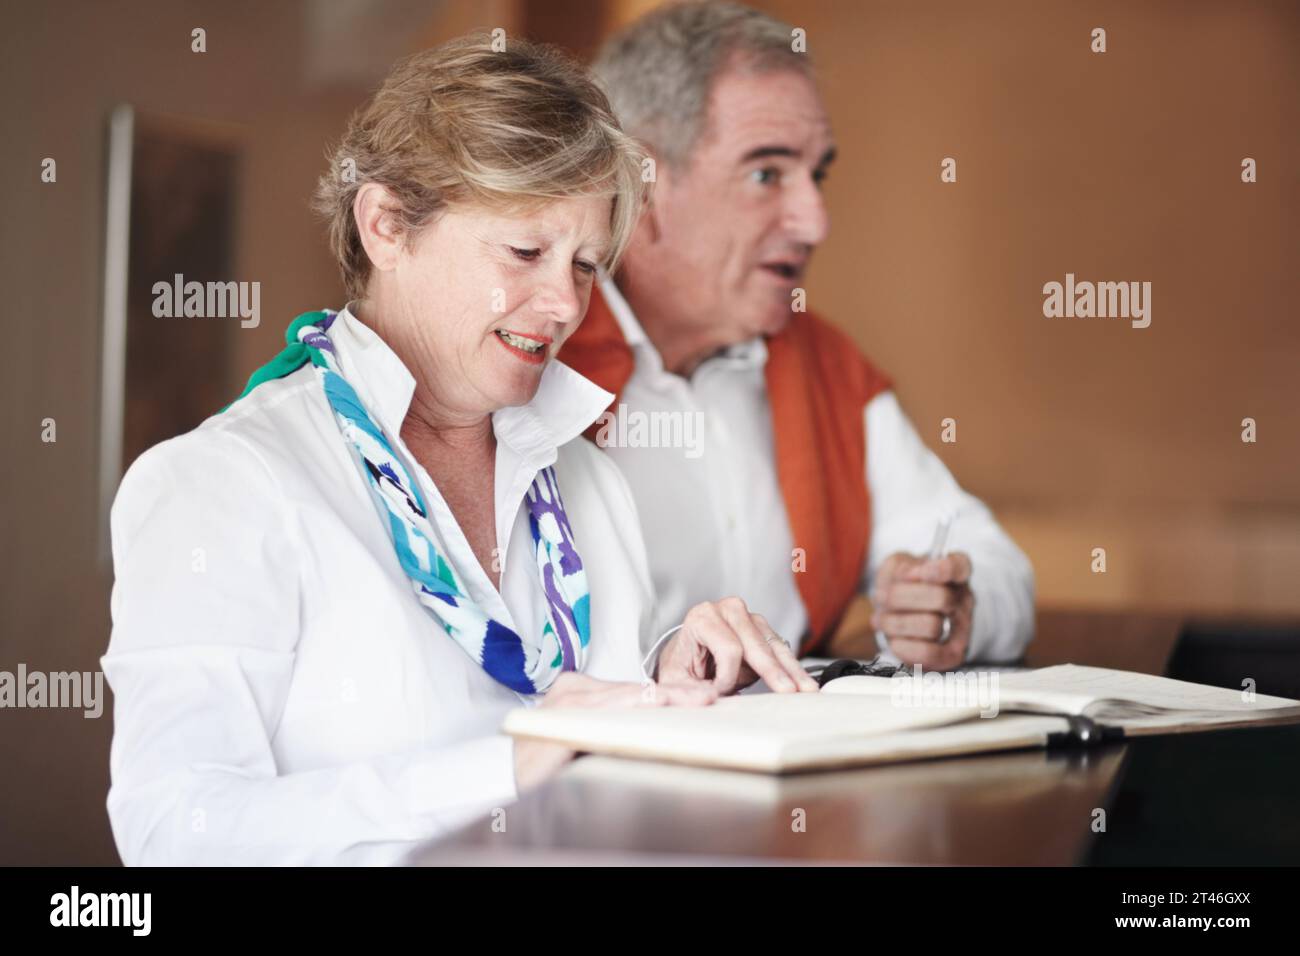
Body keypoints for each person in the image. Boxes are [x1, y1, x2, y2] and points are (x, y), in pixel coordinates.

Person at [101, 34, 817, 867]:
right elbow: (172, 829)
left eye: (586, 266)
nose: (562, 304)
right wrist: (510, 766)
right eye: (524, 253)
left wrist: (674, 668)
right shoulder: (220, 484)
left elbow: (593, 698)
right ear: (386, 225)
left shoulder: (586, 475)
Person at [562, 2, 1036, 676]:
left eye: (817, 175)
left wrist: (954, 608)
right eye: (767, 173)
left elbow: (992, 563)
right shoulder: (535, 360)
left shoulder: (823, 366)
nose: (815, 221)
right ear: (640, 186)